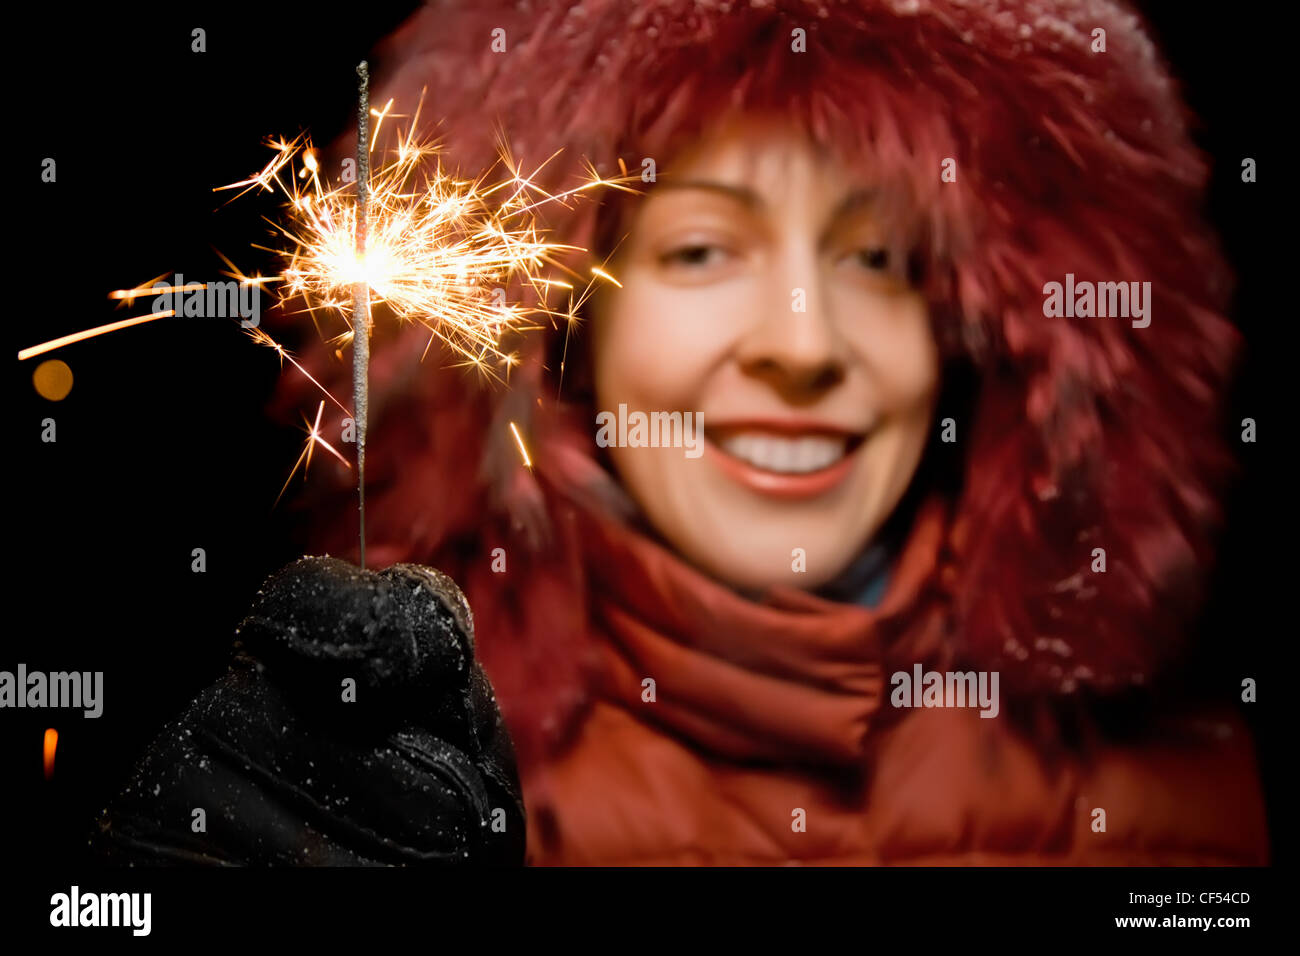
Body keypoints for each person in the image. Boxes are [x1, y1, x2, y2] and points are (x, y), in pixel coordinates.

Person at [93, 0, 1268, 866]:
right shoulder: (417, 805)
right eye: (701, 248)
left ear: (974, 336)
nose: (802, 345)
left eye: (878, 256)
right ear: (564, 331)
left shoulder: (1213, 822)